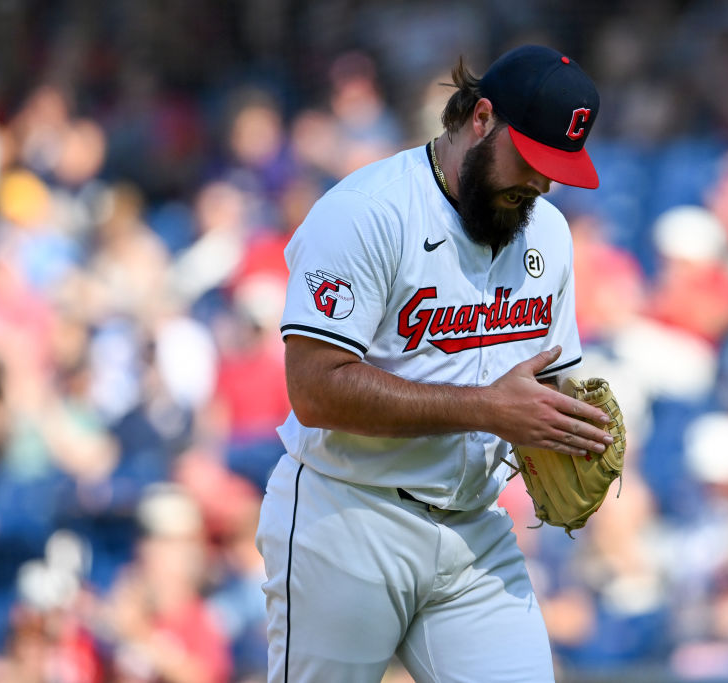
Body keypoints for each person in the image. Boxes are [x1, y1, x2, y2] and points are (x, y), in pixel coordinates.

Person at [255, 44, 613, 683]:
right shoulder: (367, 213)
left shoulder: (548, 232)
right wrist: (487, 410)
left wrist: (573, 425)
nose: (540, 182)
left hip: (477, 529)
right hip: (349, 516)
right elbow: (314, 388)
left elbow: (546, 377)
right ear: (480, 120)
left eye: (556, 168)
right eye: (530, 159)